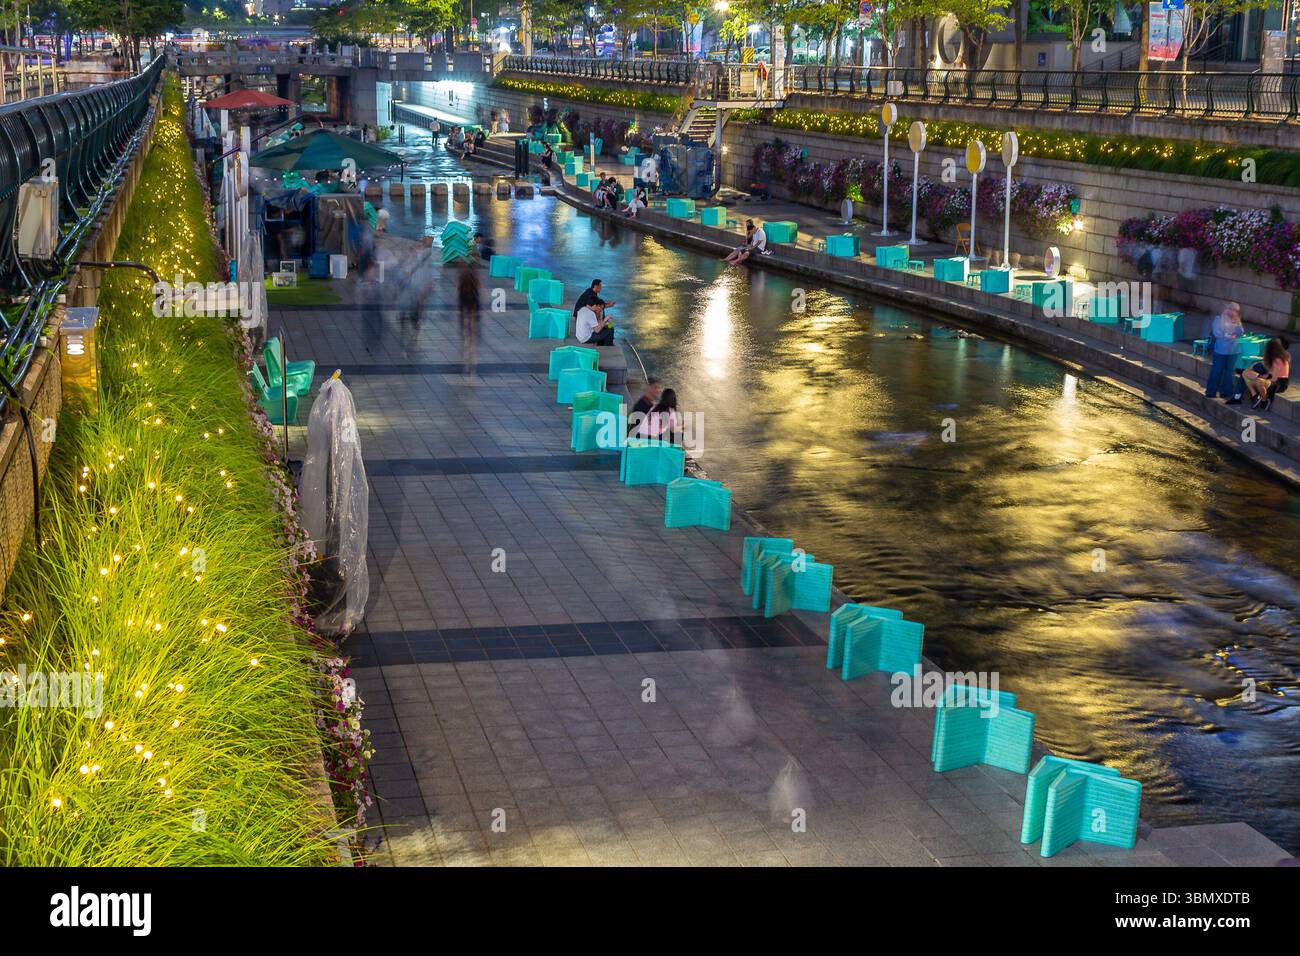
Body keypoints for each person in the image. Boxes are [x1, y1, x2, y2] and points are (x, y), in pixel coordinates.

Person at [1205, 302, 1243, 402]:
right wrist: (1231, 335)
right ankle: (1211, 391)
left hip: (1233, 351)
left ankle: (1226, 392)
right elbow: (1217, 333)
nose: (1232, 312)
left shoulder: (1237, 320)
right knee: (1216, 371)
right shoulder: (1219, 319)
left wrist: (1236, 326)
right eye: (1231, 309)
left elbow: (1240, 333)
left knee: (1229, 372)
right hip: (1220, 351)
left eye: (1235, 310)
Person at [1241, 336, 1291, 411]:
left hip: (1280, 383)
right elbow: (1262, 367)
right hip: (1270, 379)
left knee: (1258, 381)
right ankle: (1255, 396)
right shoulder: (1271, 358)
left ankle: (1265, 400)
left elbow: (1273, 379)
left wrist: (1260, 377)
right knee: (1245, 373)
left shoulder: (1279, 360)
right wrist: (1255, 368)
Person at [457, 261, 482, 375]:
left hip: (465, 307)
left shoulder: (462, 279)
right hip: (474, 307)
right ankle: (472, 359)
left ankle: (467, 358)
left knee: (467, 335)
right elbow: (481, 294)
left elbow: (457, 295)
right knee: (473, 336)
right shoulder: (475, 280)